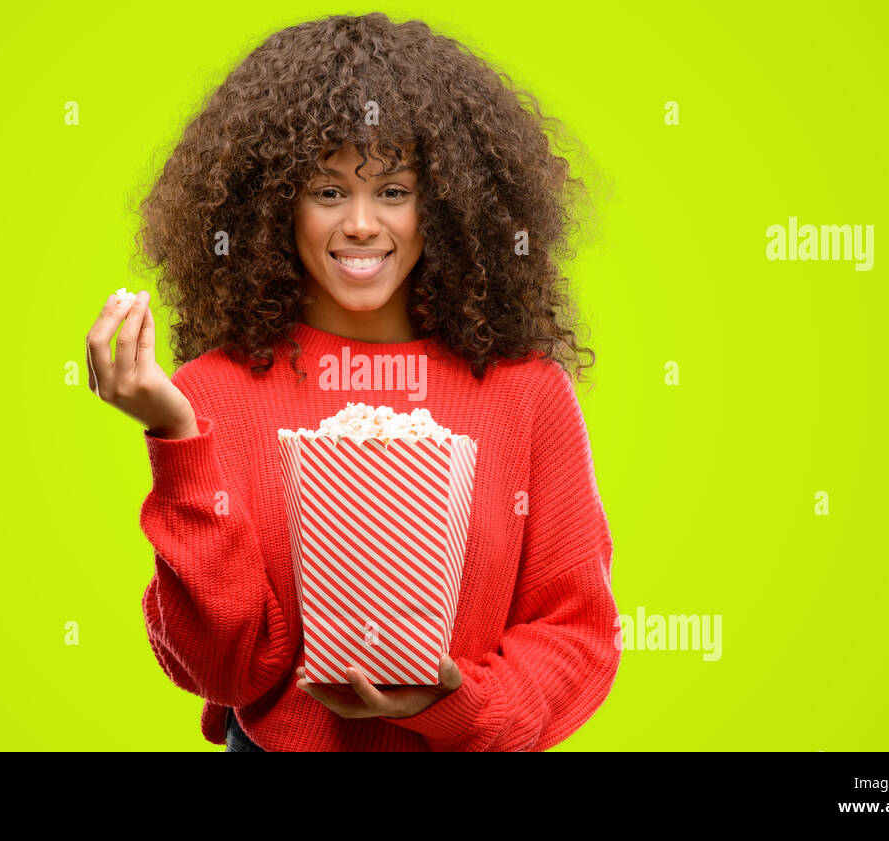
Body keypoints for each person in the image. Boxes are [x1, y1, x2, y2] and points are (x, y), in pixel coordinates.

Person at [86, 12, 619, 751]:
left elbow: (576, 632)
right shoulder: (216, 392)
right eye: (329, 192)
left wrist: (458, 704)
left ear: (447, 204)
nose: (363, 223)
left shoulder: (525, 392)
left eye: (394, 190)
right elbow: (224, 667)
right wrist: (175, 435)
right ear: (274, 204)